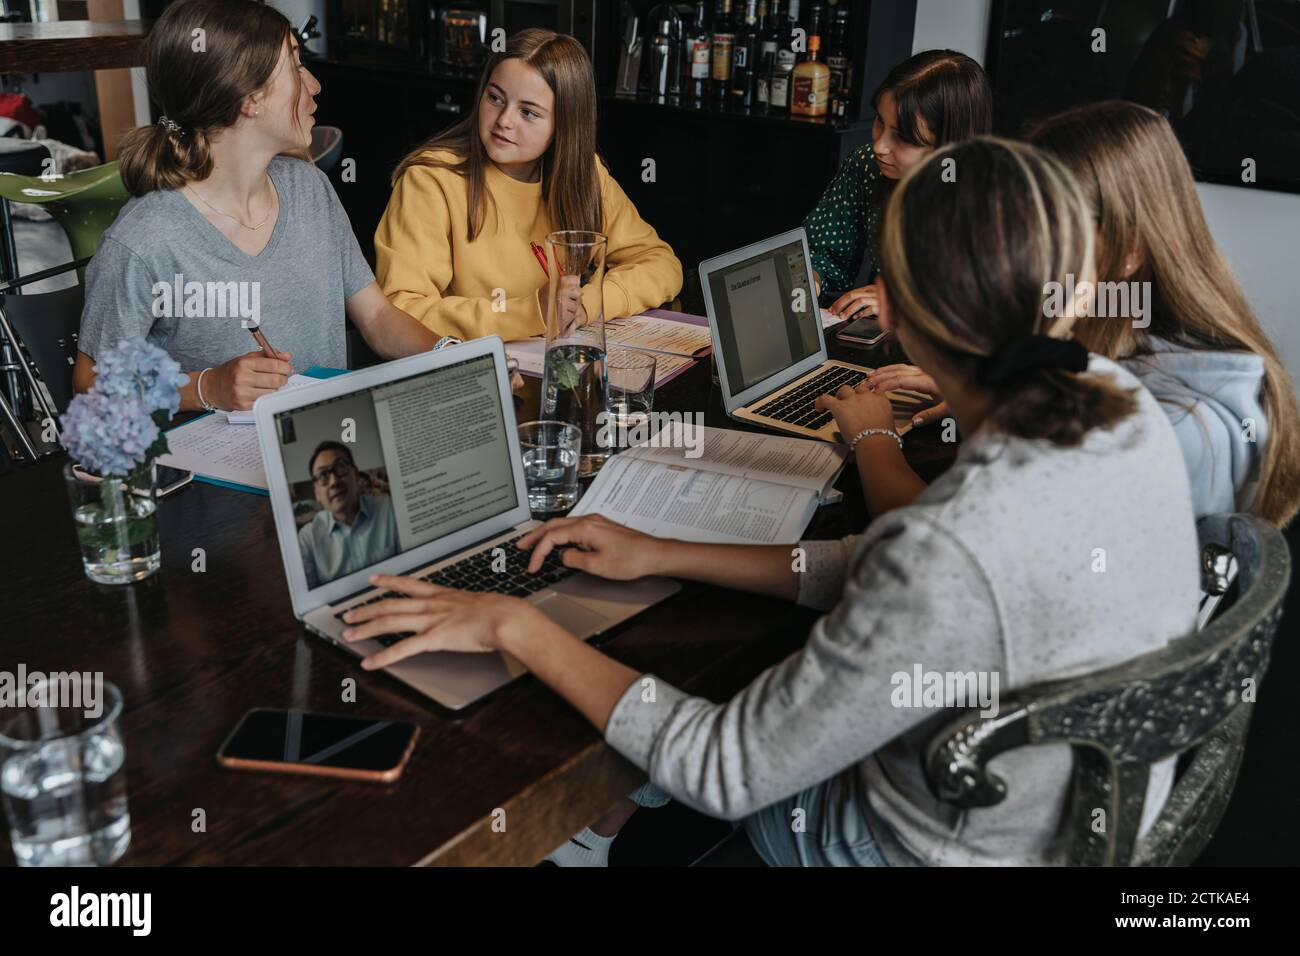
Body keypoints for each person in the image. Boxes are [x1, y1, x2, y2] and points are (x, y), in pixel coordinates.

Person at [337, 139, 1201, 866]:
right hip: (1061, 817)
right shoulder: (1123, 406)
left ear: (893, 308)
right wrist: (661, 551)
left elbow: (726, 767)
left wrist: (512, 625)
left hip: (909, 847)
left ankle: (575, 837)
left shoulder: (950, 547)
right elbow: (897, 566)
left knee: (639, 712)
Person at [864, 101, 1300, 525]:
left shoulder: (1165, 428)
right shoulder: (1142, 327)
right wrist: (972, 377)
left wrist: (873, 438)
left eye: (1049, 227)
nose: (1026, 251)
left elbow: (953, 551)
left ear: (1127, 249)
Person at [73, 0, 439, 413]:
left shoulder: (309, 188)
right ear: (250, 99)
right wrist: (206, 387)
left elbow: (377, 320)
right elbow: (91, 383)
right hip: (208, 470)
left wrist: (453, 355)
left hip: (325, 450)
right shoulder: (145, 239)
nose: (315, 85)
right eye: (297, 67)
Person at [374, 28, 683, 342]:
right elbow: (400, 312)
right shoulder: (430, 180)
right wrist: (534, 311)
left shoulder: (584, 173)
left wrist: (587, 306)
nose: (505, 120)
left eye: (528, 112)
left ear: (564, 125)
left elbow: (661, 264)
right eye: (495, 97)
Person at [805, 50, 991, 331]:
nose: (880, 145)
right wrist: (810, 281)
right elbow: (826, 253)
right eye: (880, 121)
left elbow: (997, 313)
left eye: (903, 137)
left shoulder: (997, 198)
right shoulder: (867, 165)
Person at [297, 442, 399, 589]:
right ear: (316, 494)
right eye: (322, 476)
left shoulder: (389, 510)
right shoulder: (308, 540)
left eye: (341, 467)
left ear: (356, 475)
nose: (334, 481)